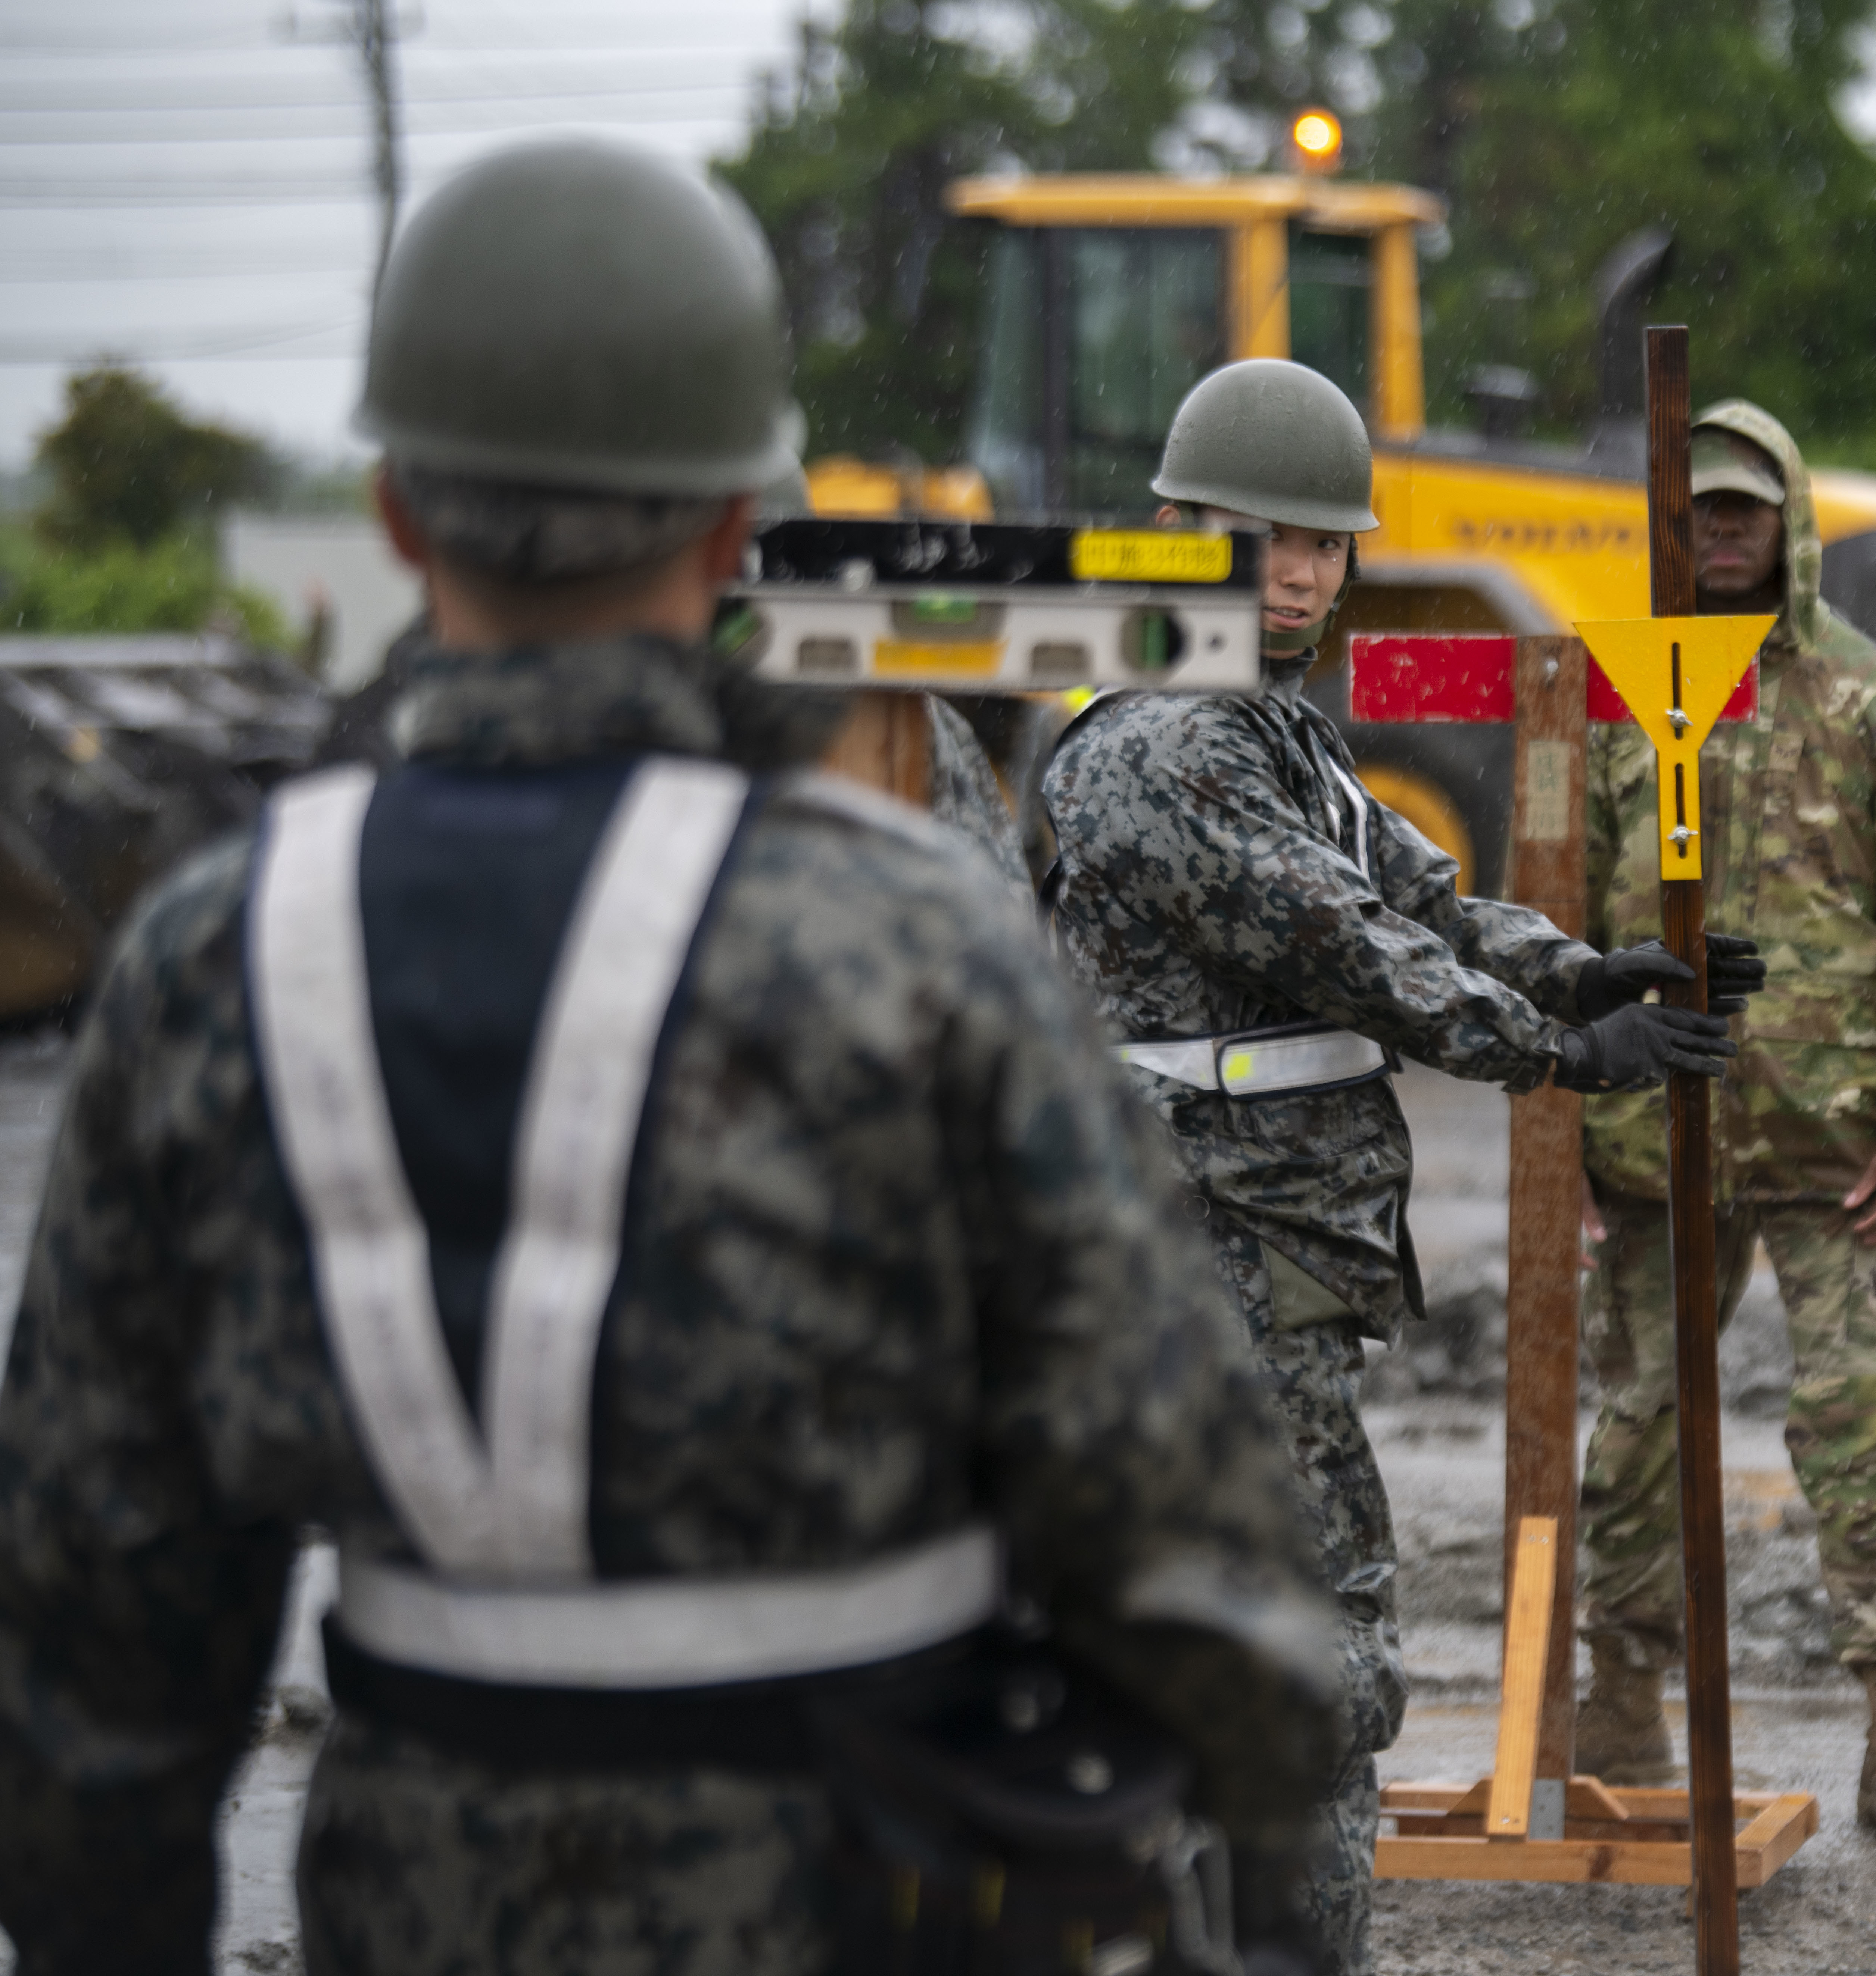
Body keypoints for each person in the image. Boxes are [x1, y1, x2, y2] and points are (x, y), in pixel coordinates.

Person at [0, 139, 1340, 1976]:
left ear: (397, 515)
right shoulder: (927, 947)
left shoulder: (210, 969)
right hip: (878, 1892)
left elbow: (92, 1647)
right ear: (736, 535)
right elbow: (1192, 1552)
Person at [1040, 356, 1762, 1974]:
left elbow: (1419, 899)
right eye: (1263, 539)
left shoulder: (1275, 727)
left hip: (1267, 1251)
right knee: (1304, 1648)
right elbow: (1349, 947)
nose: (1299, 573)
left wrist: (1583, 968)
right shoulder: (1166, 743)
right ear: (1177, 532)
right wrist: (1560, 1050)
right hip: (1200, 1253)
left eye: (1322, 544)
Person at [1571, 404, 1876, 1836]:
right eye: (1698, 507)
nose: (1722, 529)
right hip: (1652, 1138)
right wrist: (1555, 1122)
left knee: (1856, 1413)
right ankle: (1619, 1708)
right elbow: (1554, 912)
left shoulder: (1874, 700)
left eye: (1745, 507)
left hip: (1837, 1148)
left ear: (1791, 522)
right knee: (1639, 1422)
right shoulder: (1613, 688)